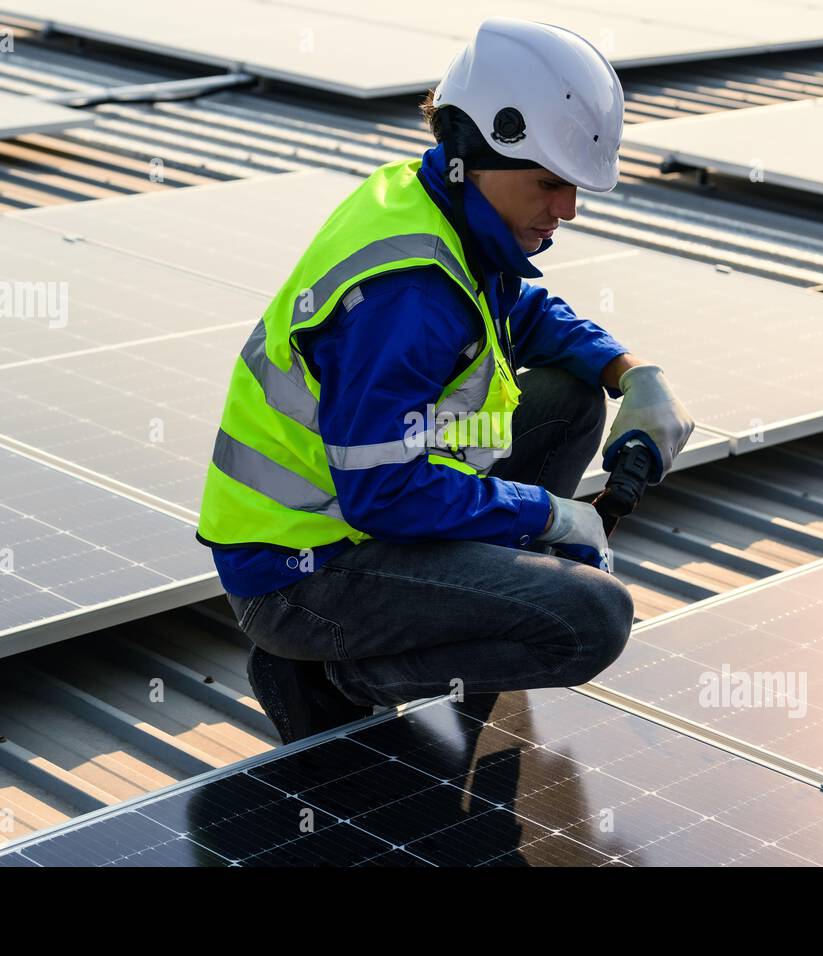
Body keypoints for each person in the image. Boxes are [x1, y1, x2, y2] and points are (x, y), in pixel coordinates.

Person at [196, 17, 696, 744]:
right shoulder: (406, 298)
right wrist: (548, 515)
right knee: (591, 622)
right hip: (303, 577)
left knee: (569, 397)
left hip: (363, 516)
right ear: (479, 152)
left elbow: (515, 309)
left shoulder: (441, 201)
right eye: (550, 183)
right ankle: (328, 679)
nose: (569, 209)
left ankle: (482, 605)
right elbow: (384, 494)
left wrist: (629, 370)